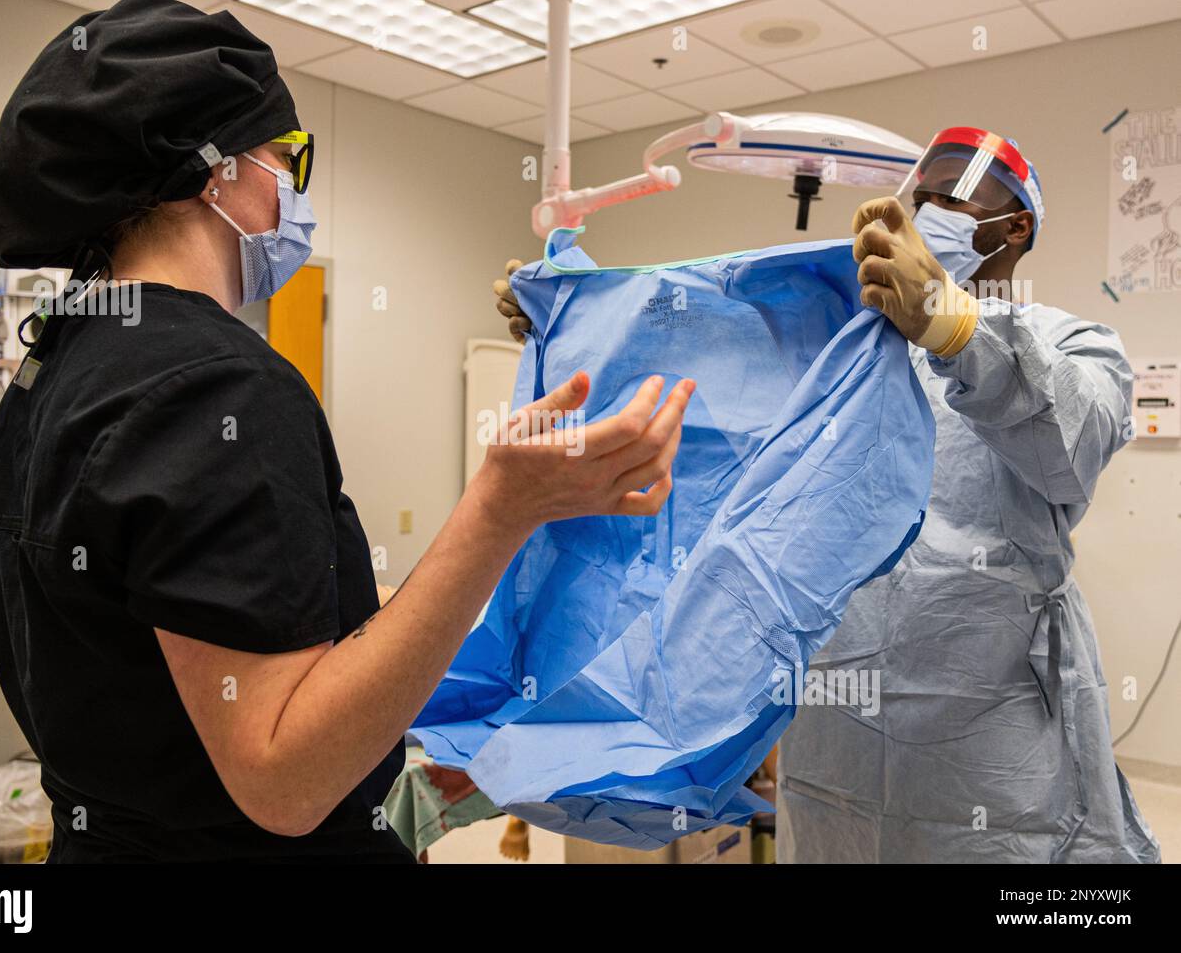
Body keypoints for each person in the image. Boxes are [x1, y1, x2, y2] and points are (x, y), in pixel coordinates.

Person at [0, 0, 693, 863]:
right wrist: (501, 508)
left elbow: (180, 644)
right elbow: (285, 779)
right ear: (217, 172)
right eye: (287, 158)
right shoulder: (217, 386)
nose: (295, 189)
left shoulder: (55, 366)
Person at [496, 128, 1159, 863]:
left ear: (1016, 225)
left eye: (954, 196)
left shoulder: (1065, 339)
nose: (929, 208)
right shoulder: (840, 337)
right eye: (923, 194)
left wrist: (951, 324)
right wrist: (575, 321)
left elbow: (1077, 434)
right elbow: (707, 389)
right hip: (833, 729)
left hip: (986, 734)